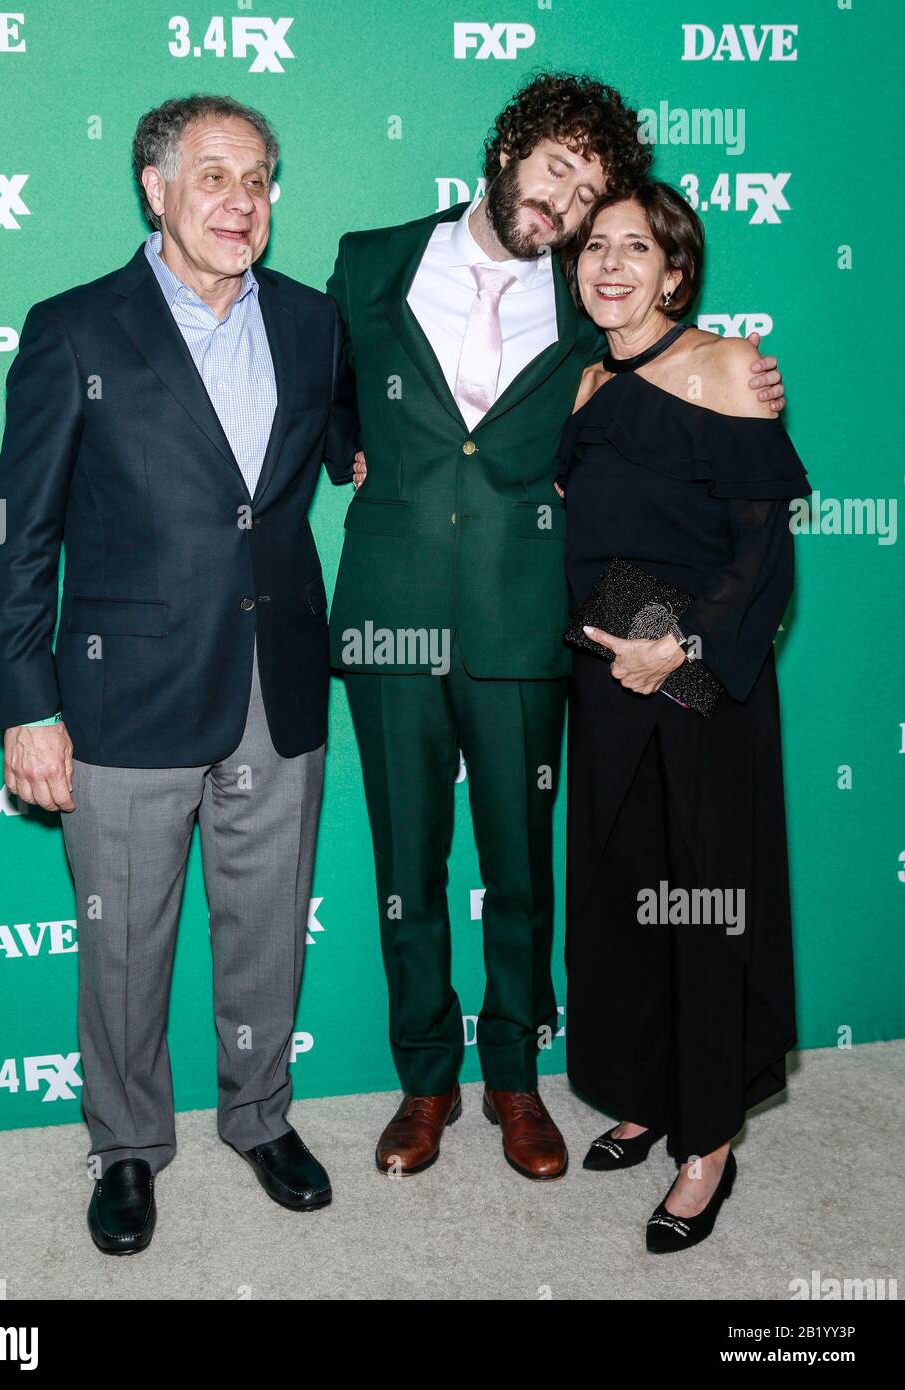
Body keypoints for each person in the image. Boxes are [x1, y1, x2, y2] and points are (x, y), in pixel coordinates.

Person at [326, 73, 785, 1180]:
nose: (566, 204)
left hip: (529, 620)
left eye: (588, 192)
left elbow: (662, 378)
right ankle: (425, 1081)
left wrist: (734, 375)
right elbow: (326, 381)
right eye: (555, 168)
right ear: (506, 151)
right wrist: (346, 434)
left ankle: (516, 1082)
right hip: (391, 609)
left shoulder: (593, 303)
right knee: (408, 864)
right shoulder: (371, 256)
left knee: (525, 866)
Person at [0, 94, 358, 1253]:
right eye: (211, 176)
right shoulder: (75, 328)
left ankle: (259, 1116)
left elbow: (361, 443)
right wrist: (28, 704)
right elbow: (22, 533)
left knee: (264, 928)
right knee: (125, 939)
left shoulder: (312, 323)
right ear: (155, 188)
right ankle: (128, 1144)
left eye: (256, 178)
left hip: (276, 681)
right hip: (122, 693)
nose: (239, 200)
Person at [555, 180, 808, 1251]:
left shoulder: (727, 368)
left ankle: (707, 1145)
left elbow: (763, 559)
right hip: (609, 665)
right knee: (625, 894)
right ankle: (649, 1089)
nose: (611, 265)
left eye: (636, 248)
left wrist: (680, 648)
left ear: (674, 269)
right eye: (594, 247)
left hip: (696, 673)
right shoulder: (580, 383)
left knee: (700, 904)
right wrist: (626, 645)